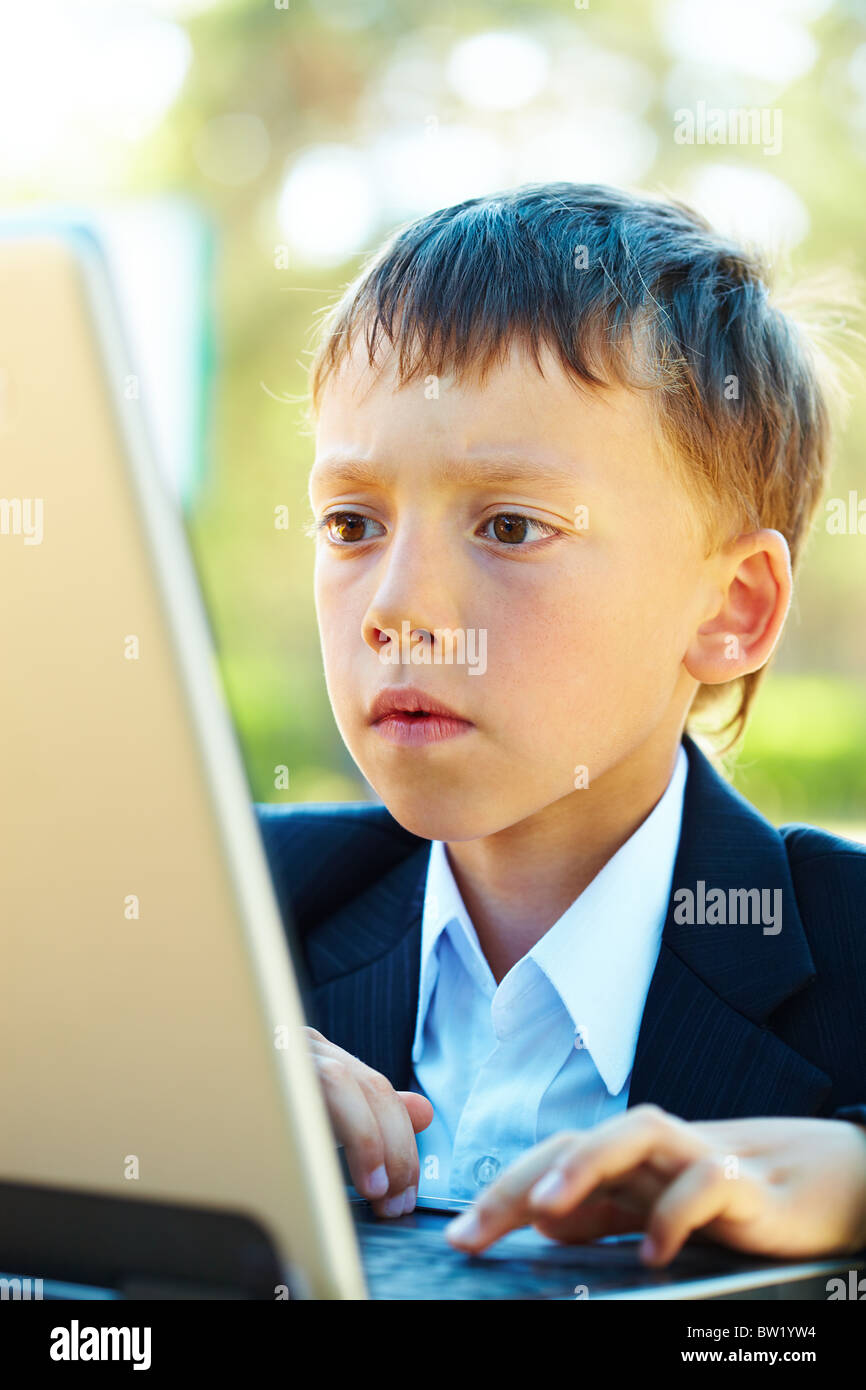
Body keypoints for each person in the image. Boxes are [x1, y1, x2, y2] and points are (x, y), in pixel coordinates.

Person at [257, 183, 866, 1267]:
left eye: (507, 525)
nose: (396, 607)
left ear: (731, 610)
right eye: (351, 522)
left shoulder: (850, 947)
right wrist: (153, 1081)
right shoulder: (233, 915)